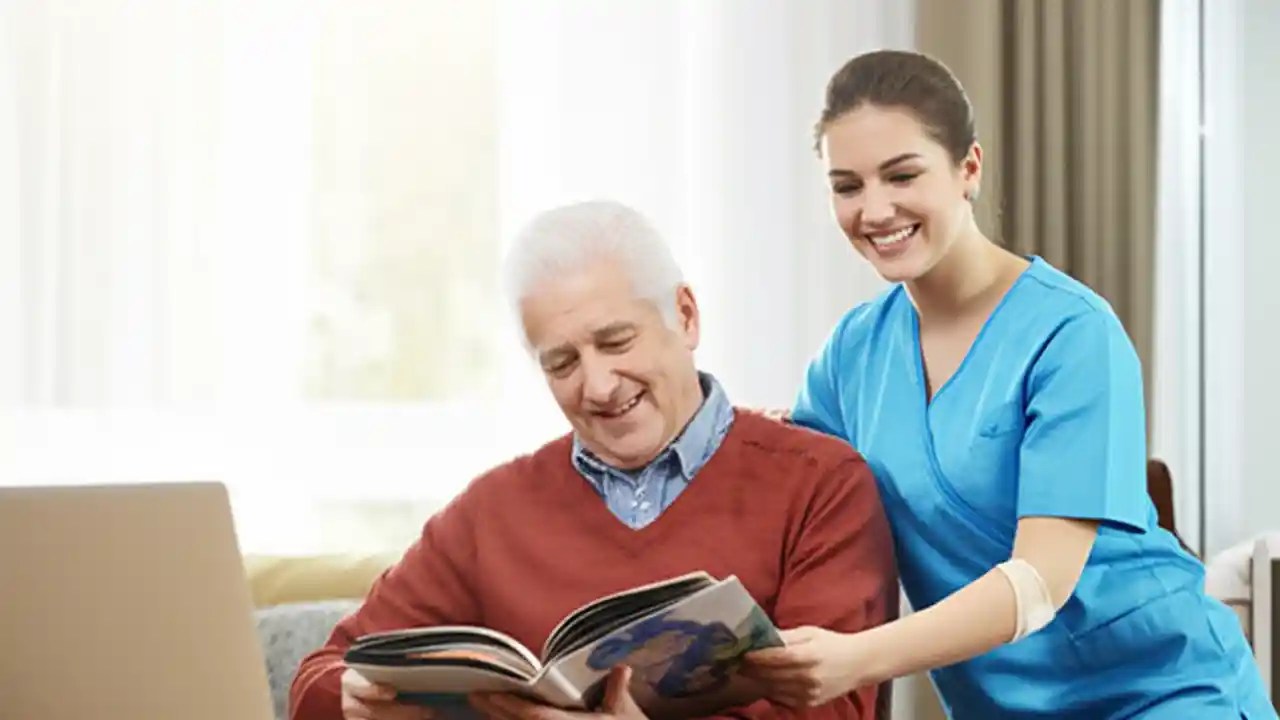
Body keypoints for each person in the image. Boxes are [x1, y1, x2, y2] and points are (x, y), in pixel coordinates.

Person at [740, 49, 1277, 719]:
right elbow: (810, 498)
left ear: (969, 168)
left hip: (1165, 689)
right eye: (847, 186)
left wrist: (857, 657)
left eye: (901, 175)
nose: (874, 209)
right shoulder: (852, 354)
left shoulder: (1072, 333)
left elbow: (1039, 584)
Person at [289, 200, 899, 720]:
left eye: (616, 342)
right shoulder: (490, 512)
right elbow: (319, 675)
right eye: (562, 363)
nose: (599, 385)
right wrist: (348, 697)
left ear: (685, 316)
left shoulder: (820, 483)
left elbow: (837, 710)